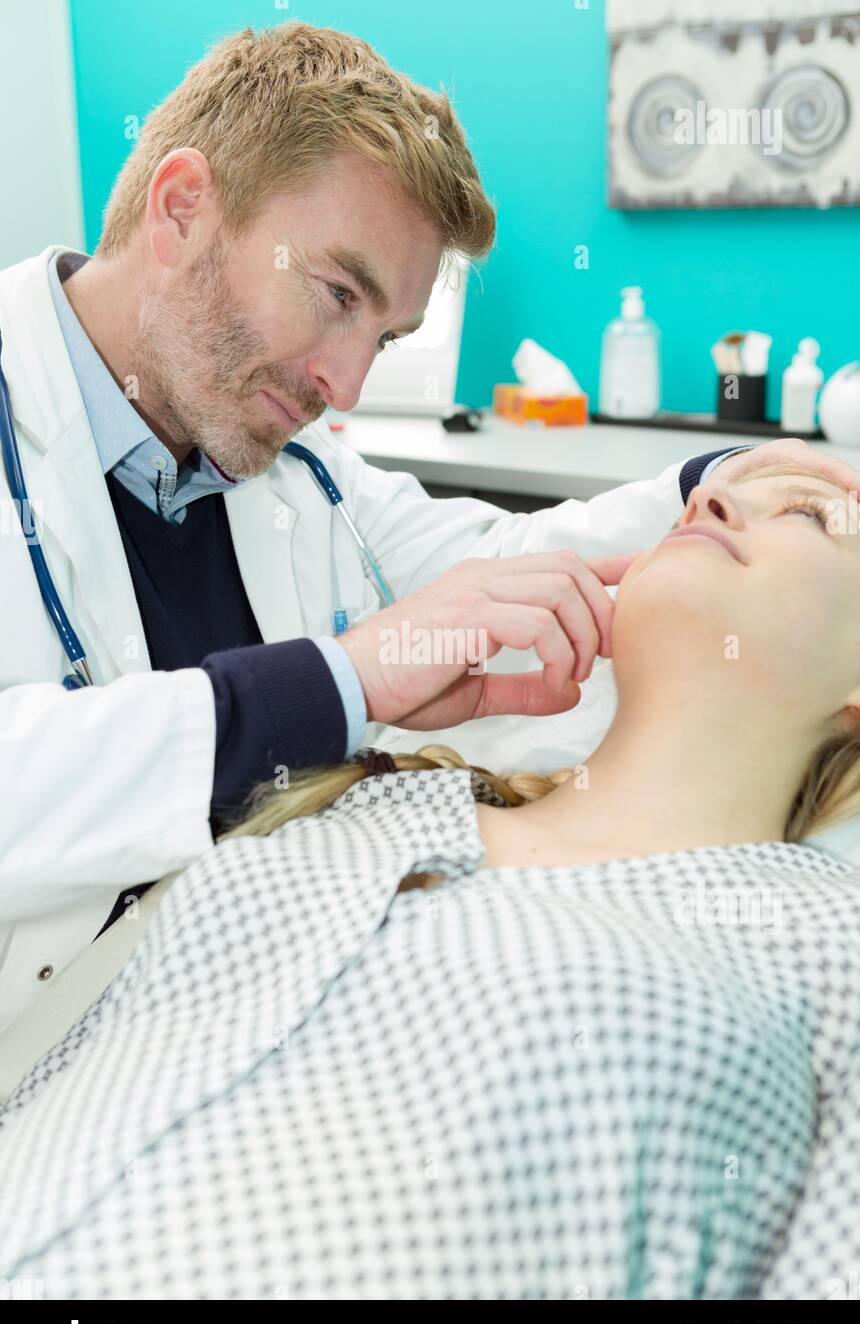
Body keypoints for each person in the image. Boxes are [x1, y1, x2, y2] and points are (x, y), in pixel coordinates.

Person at [0, 18, 769, 1030]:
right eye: (334, 294)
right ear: (182, 209)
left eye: (386, 335)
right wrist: (347, 679)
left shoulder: (290, 461)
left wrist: (729, 480)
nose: (346, 383)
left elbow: (492, 570)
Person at [2, 447, 860, 1299]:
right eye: (690, 511)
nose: (706, 509)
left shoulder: (825, 950)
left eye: (810, 517)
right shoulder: (371, 800)